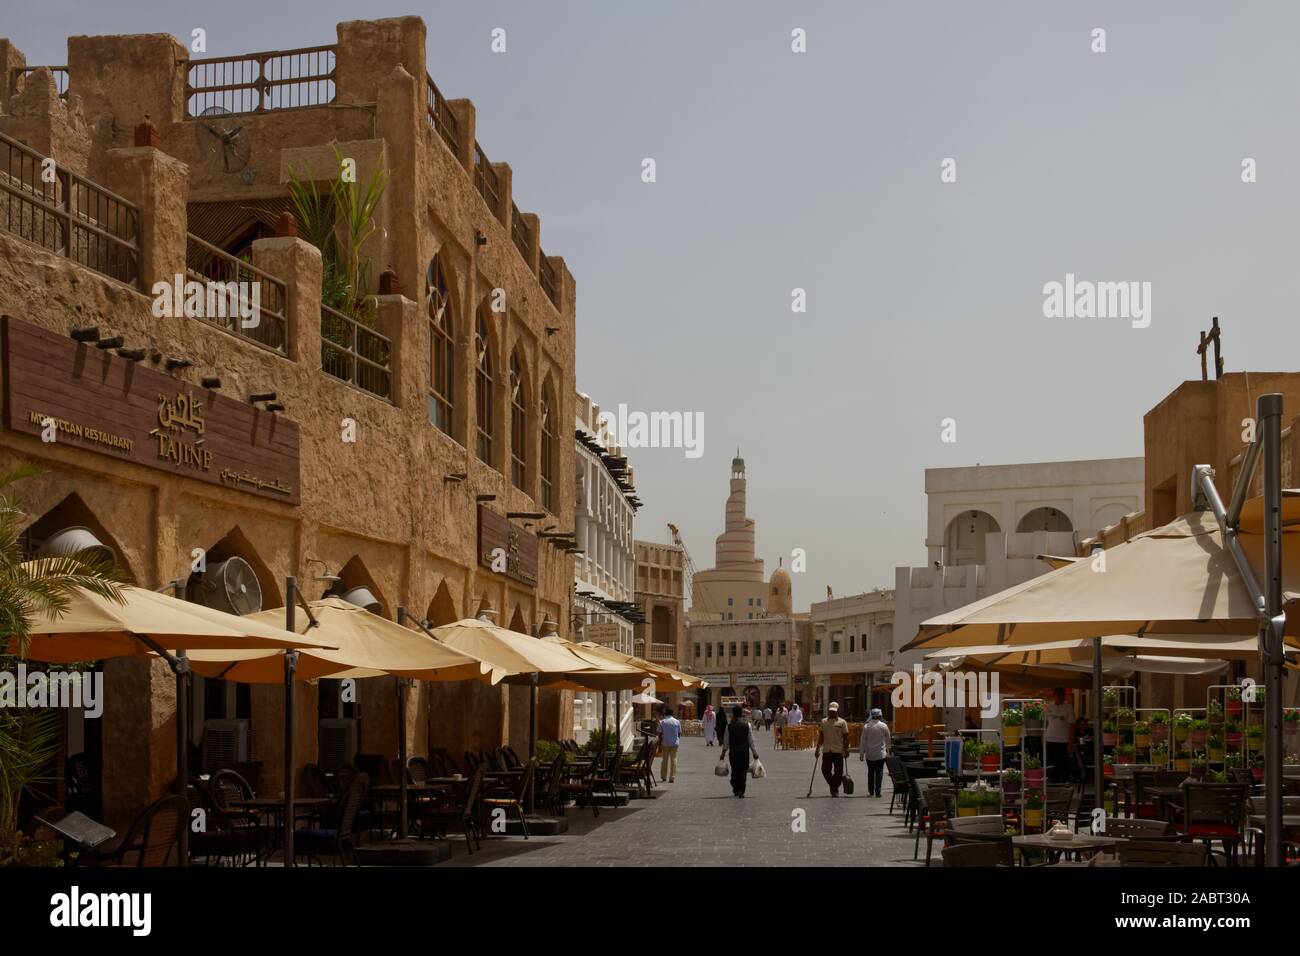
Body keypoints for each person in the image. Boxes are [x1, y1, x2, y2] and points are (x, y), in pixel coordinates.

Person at [721, 704, 760, 797]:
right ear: (741, 713)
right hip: (744, 752)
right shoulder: (747, 725)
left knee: (735, 770)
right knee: (743, 771)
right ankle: (741, 791)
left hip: (733, 752)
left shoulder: (729, 726)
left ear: (733, 714)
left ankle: (735, 786)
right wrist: (754, 752)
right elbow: (751, 740)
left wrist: (723, 753)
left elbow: (726, 741)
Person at [816, 701, 851, 797]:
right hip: (827, 750)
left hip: (838, 750)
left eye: (833, 711)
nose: (831, 713)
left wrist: (846, 749)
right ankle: (834, 786)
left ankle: (834, 788)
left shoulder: (842, 722)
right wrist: (817, 748)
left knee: (839, 772)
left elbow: (846, 736)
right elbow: (821, 736)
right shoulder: (824, 722)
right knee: (825, 770)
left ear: (837, 711)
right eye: (830, 711)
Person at [1044, 687, 1076, 784]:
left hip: (1063, 741)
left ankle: (1059, 782)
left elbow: (1072, 726)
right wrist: (1043, 737)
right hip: (1049, 739)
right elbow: (1045, 724)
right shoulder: (1049, 707)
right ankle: (1054, 782)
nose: (1059, 698)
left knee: (1061, 763)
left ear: (1064, 696)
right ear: (1054, 696)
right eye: (1057, 695)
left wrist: (1070, 743)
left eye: (1061, 696)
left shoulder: (1068, 707)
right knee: (1051, 763)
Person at [857, 707, 891, 797]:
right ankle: (878, 792)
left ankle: (871, 791)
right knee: (879, 773)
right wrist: (888, 750)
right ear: (880, 716)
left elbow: (863, 741)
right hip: (880, 754)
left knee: (871, 773)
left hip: (870, 755)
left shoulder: (866, 726)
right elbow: (888, 739)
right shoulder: (884, 726)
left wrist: (861, 754)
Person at [657, 707, 682, 783]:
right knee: (674, 759)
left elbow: (659, 733)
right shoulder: (677, 721)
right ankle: (672, 777)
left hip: (665, 743)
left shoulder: (663, 722)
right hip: (675, 743)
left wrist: (659, 744)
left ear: (665, 714)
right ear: (672, 714)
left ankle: (663, 776)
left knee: (664, 760)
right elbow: (679, 733)